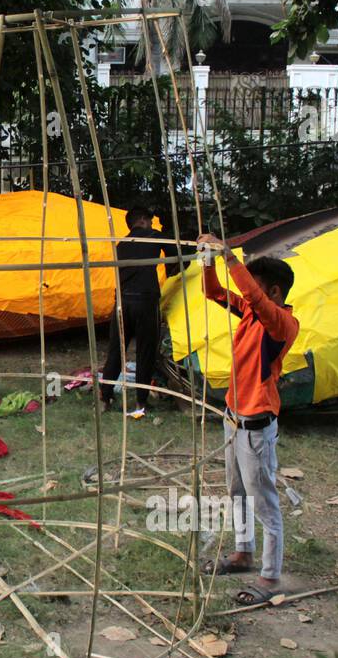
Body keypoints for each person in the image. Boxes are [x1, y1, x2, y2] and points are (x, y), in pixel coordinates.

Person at [196, 233, 299, 606]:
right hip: (233, 418)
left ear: (273, 292)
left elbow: (251, 297)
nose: (250, 293)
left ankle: (270, 577)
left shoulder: (281, 323)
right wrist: (208, 259)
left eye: (256, 288)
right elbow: (214, 293)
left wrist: (230, 257)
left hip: (257, 425)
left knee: (264, 502)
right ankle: (243, 552)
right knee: (236, 491)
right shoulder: (253, 312)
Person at [101, 207, 179, 419]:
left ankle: (105, 398)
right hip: (145, 302)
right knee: (145, 353)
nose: (152, 225)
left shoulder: (121, 245)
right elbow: (177, 256)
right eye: (151, 221)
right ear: (143, 220)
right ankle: (140, 403)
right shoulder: (154, 237)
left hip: (122, 302)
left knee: (116, 351)